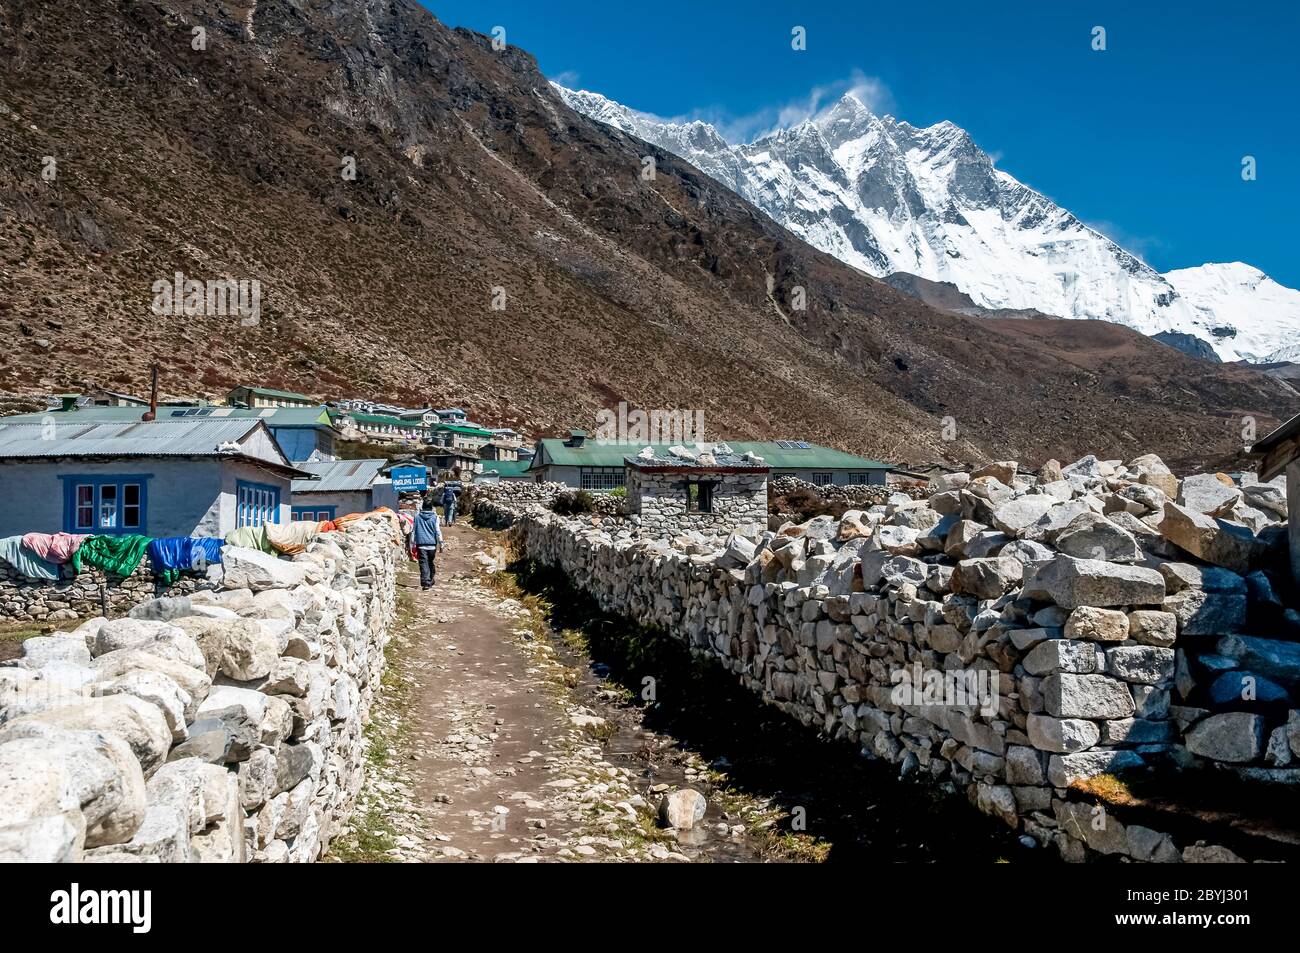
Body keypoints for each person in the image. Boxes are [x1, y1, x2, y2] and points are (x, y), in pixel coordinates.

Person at [412, 500, 443, 590]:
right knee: (429, 562)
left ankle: (426, 582)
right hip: (432, 545)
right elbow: (437, 531)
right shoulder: (435, 517)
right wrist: (441, 543)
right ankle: (429, 579)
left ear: (422, 507)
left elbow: (414, 531)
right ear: (431, 508)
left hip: (421, 544)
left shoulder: (417, 517)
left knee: (423, 563)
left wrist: (412, 544)